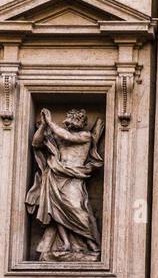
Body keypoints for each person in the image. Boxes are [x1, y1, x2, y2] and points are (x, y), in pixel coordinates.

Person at [27, 107, 104, 262]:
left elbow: (68, 136)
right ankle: (67, 244)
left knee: (78, 210)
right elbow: (36, 142)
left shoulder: (85, 136)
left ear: (81, 122)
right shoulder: (58, 137)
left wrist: (50, 122)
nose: (71, 120)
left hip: (74, 178)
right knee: (56, 211)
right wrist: (43, 126)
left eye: (76, 118)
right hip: (56, 175)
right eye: (70, 117)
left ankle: (92, 244)